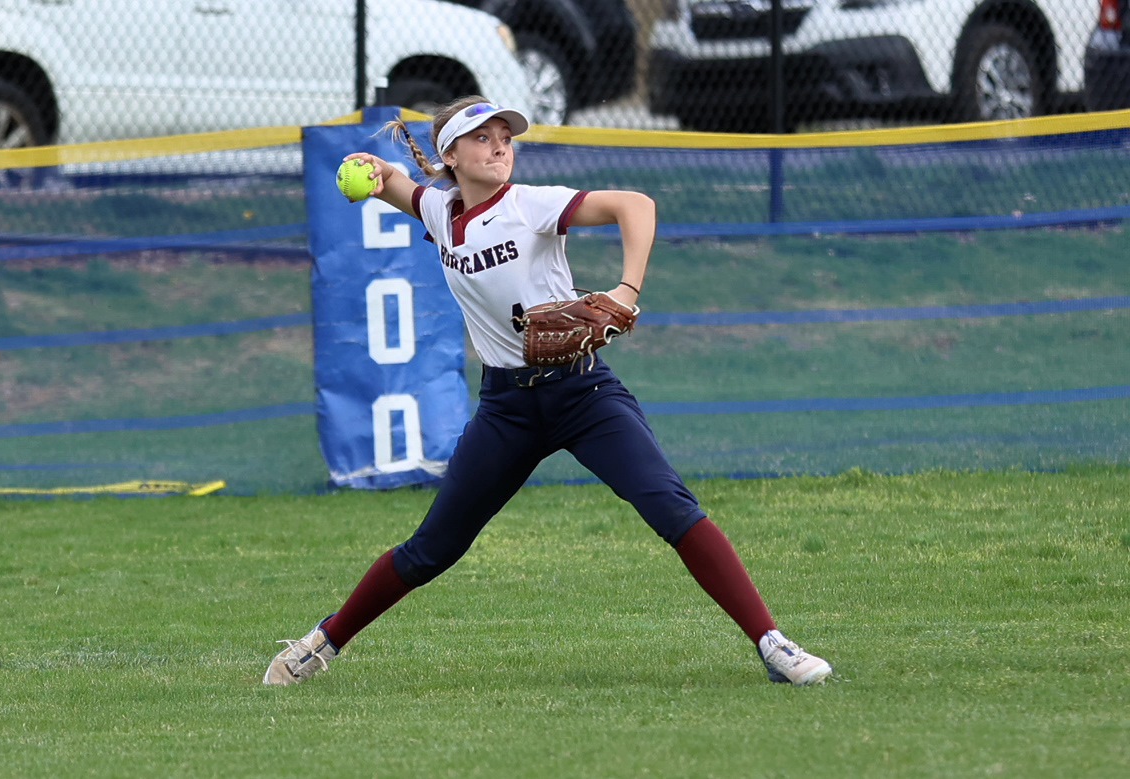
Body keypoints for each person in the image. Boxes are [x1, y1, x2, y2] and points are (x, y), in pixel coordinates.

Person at [263, 96, 832, 687]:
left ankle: (773, 645)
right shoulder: (441, 212)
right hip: (507, 410)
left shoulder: (530, 205)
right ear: (452, 155)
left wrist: (627, 290)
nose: (500, 145)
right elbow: (403, 188)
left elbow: (635, 205)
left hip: (582, 394)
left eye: (505, 135)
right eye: (482, 138)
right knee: (432, 548)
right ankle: (322, 642)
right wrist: (377, 173)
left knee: (671, 508)